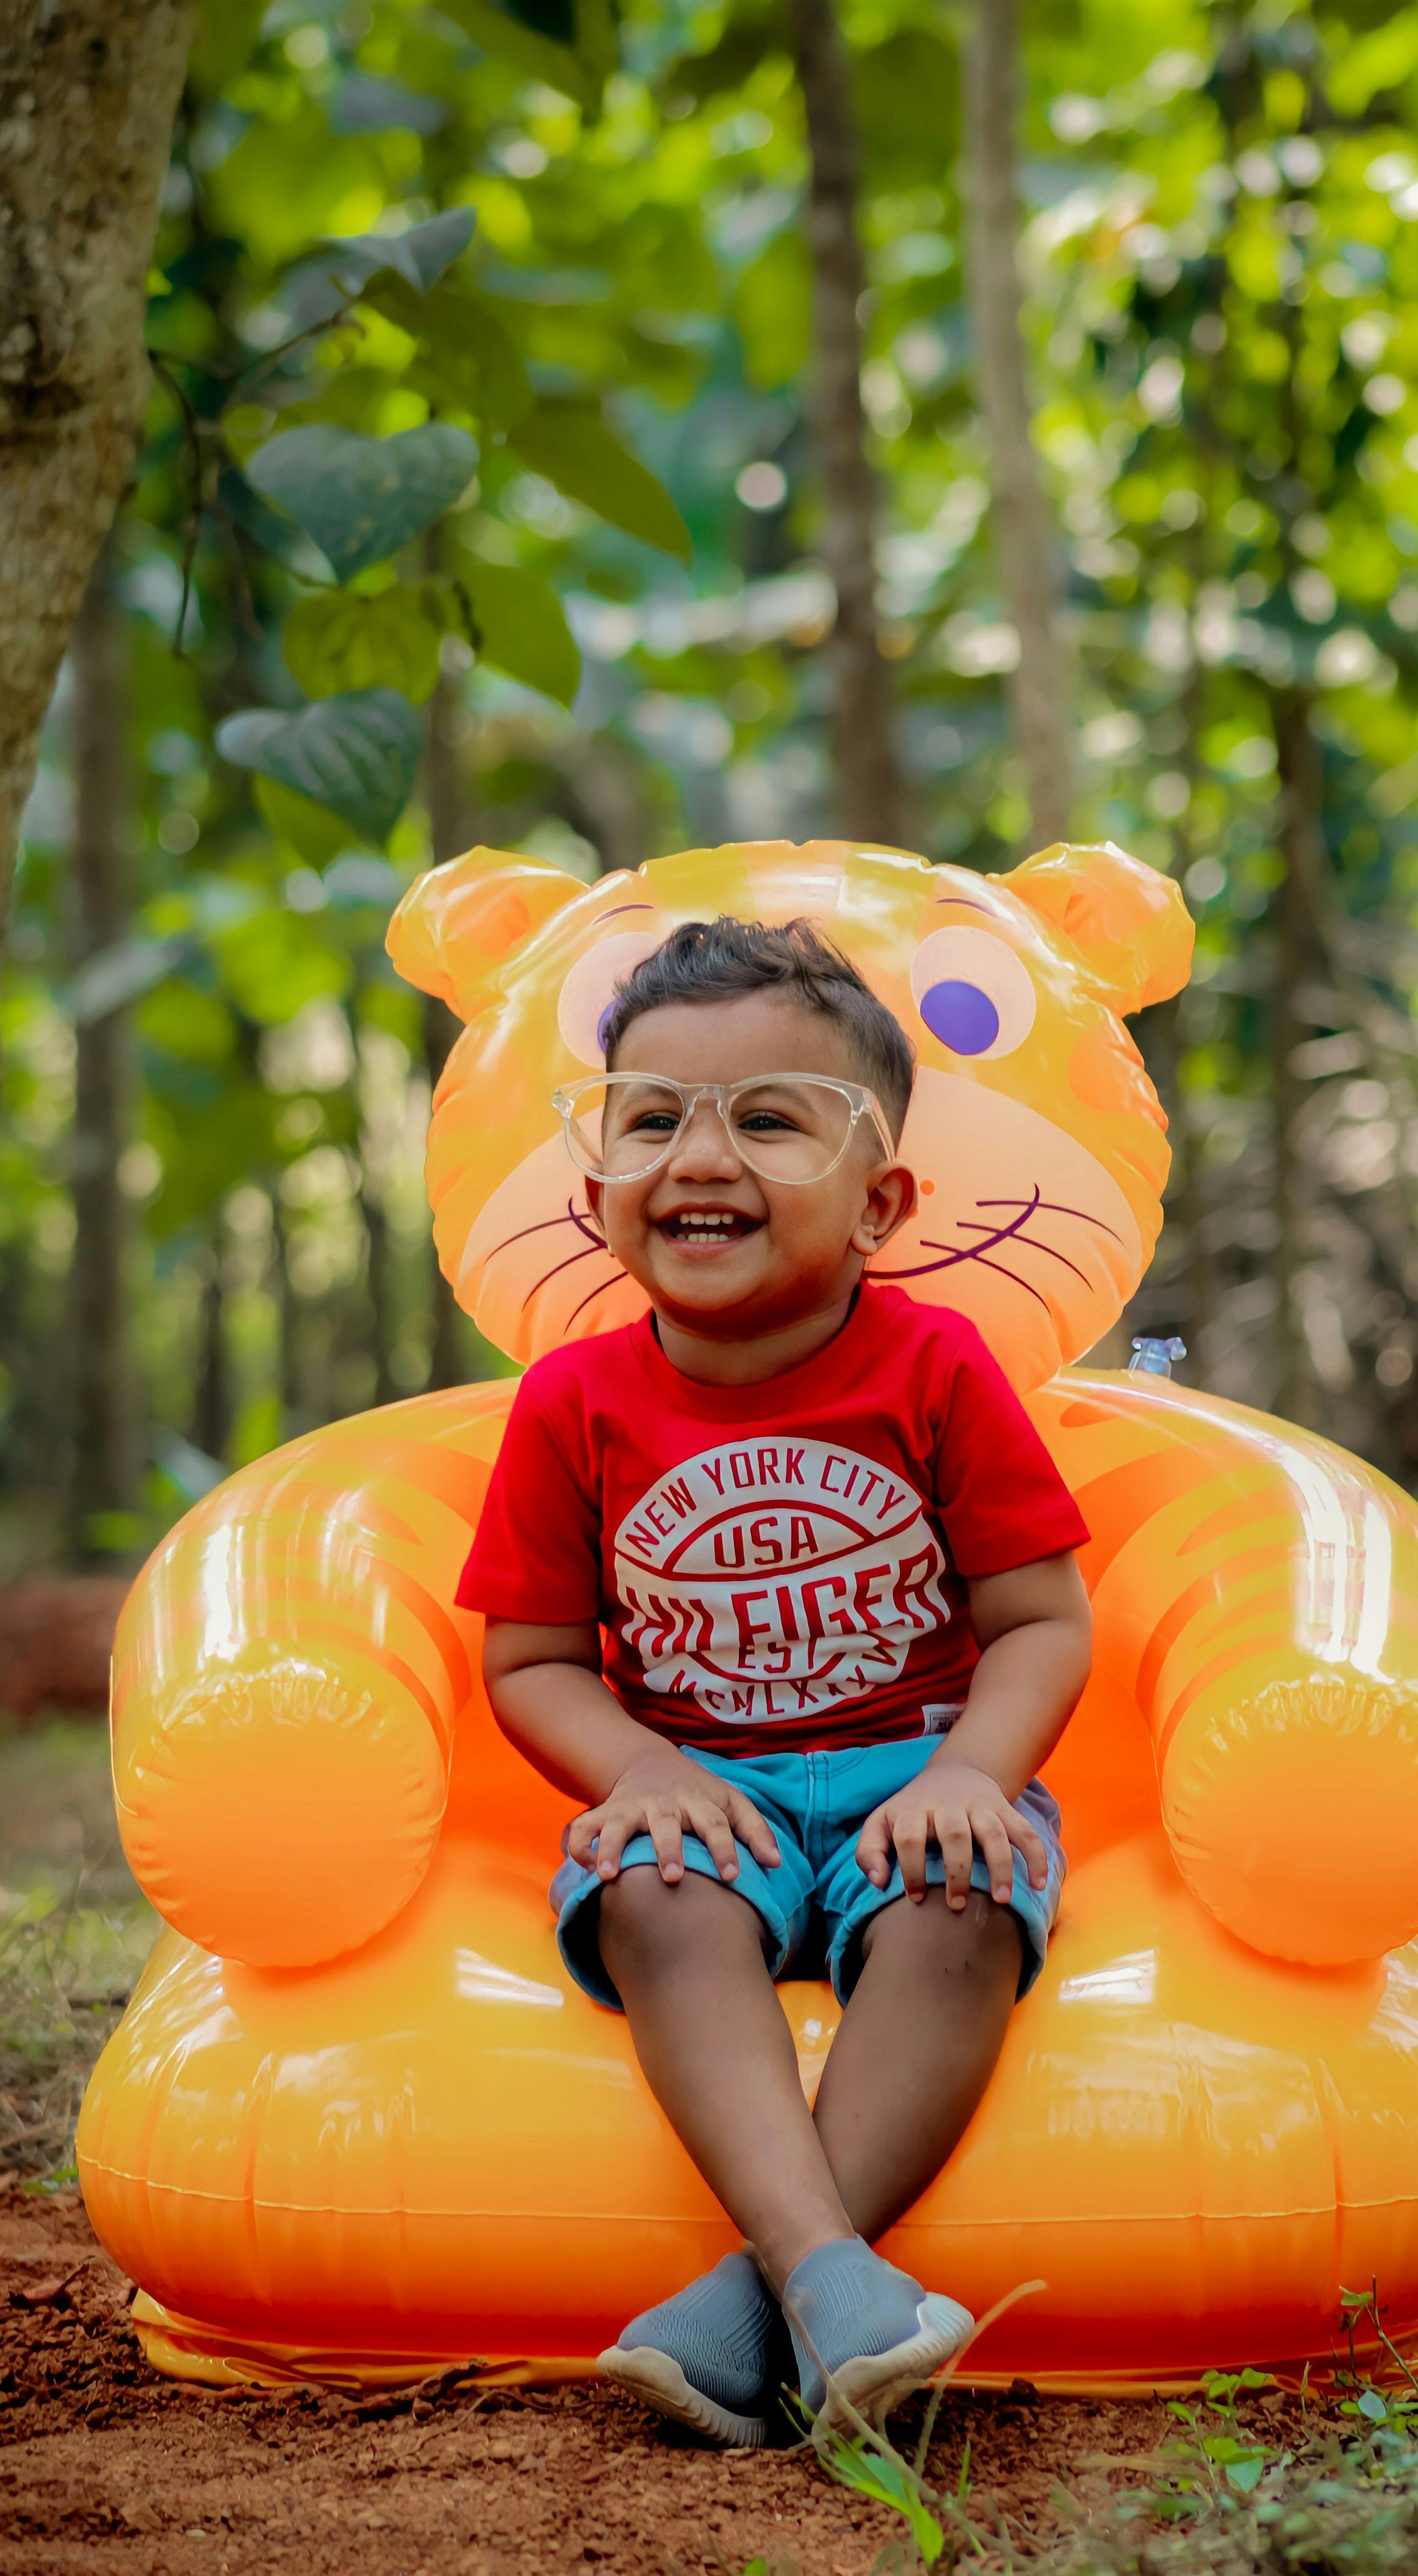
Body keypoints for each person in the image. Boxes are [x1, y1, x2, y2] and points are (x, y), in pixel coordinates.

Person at [459, 916, 1092, 2448]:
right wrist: (638, 1774)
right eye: (655, 1115)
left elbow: (1043, 1620)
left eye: (768, 1118)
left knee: (959, 1898)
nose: (701, 1154)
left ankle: (766, 2299)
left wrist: (969, 1777)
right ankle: (834, 2283)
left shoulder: (937, 1367)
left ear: (879, 1202)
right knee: (653, 1887)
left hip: (912, 1768)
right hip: (705, 1790)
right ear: (599, 1172)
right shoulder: (571, 1403)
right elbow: (531, 1660)